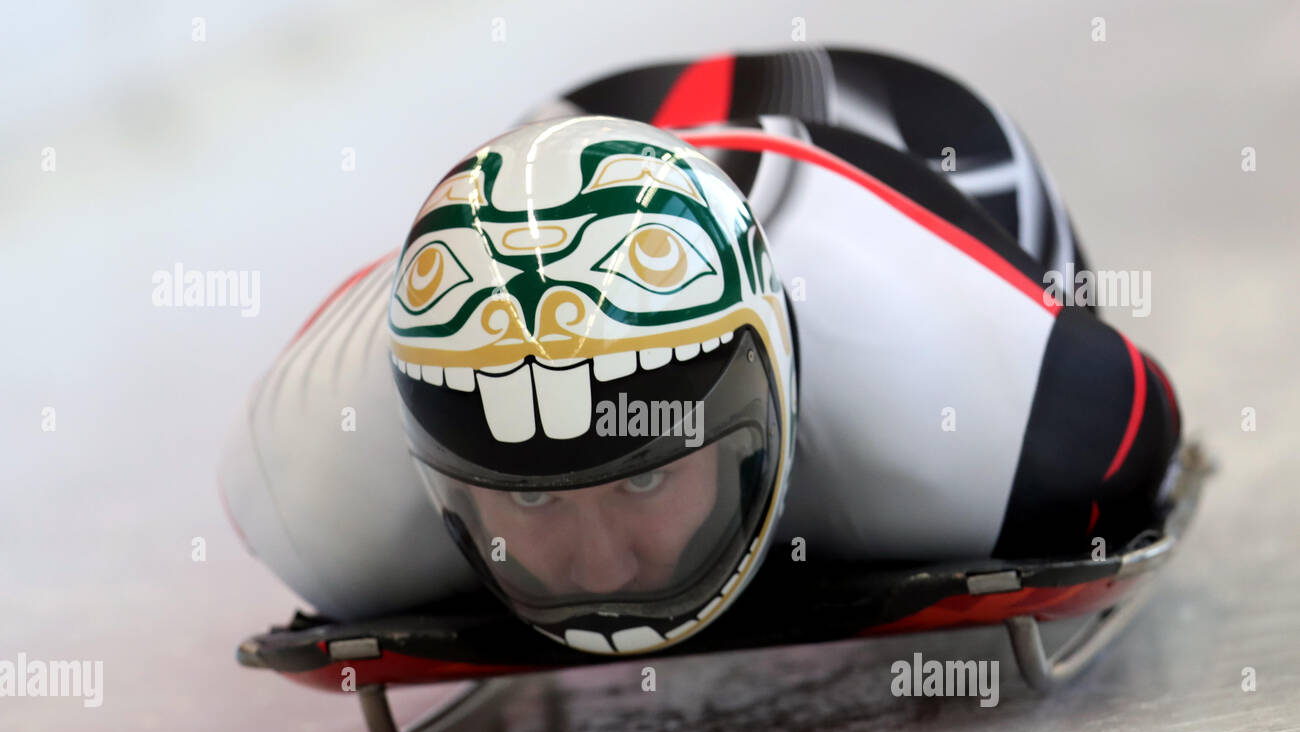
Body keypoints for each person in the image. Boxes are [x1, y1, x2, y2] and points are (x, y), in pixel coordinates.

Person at [219, 47, 1181, 657]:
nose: (599, 569)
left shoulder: (994, 413)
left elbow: (1138, 419)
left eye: (640, 481)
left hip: (907, 131)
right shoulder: (309, 482)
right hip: (555, 136)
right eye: (533, 495)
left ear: (765, 414)